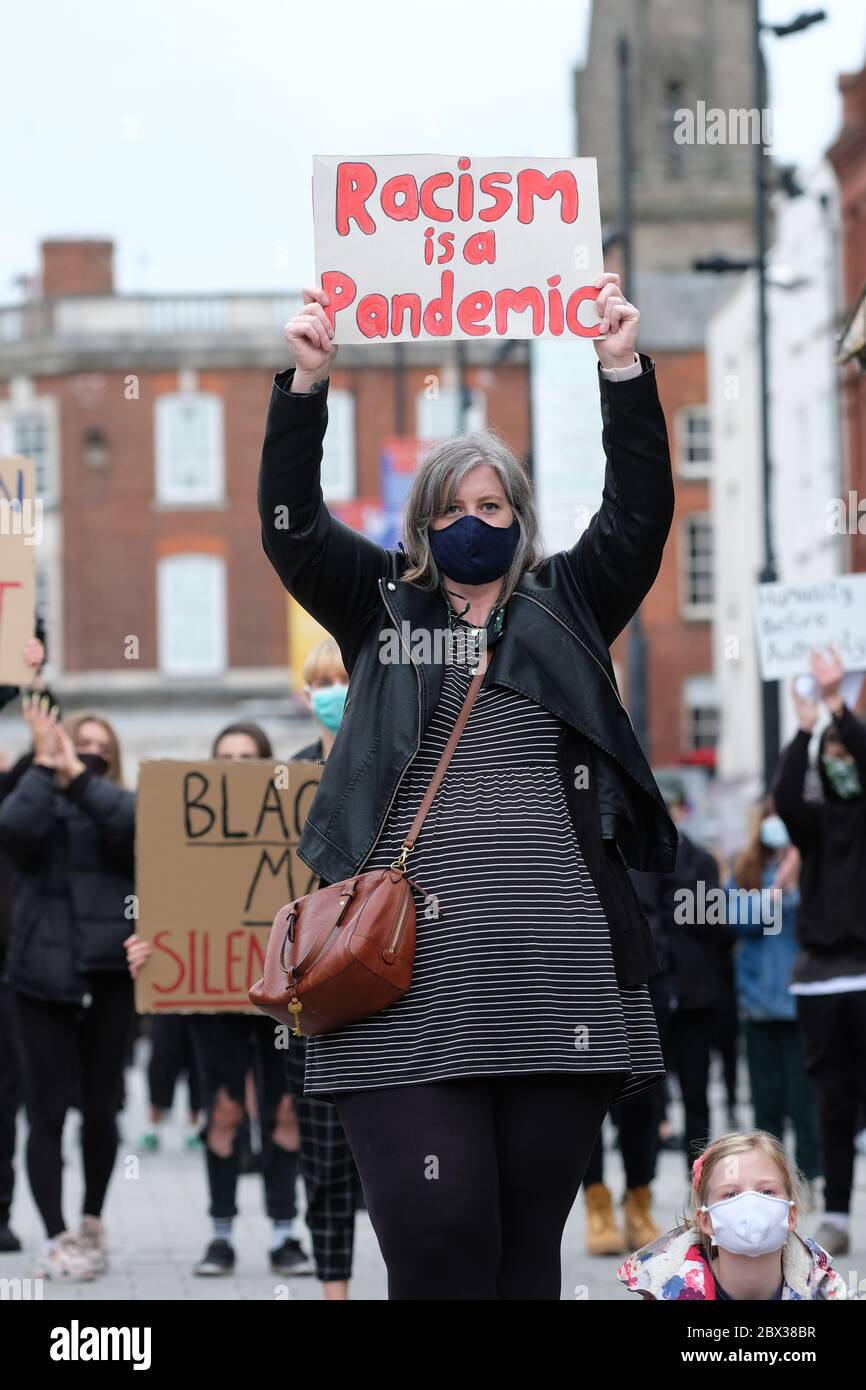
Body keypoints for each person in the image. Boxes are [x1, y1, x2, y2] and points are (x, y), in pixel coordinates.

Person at [257, 272, 677, 1300]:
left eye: (490, 506)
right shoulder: (380, 611)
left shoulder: (568, 603)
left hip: (555, 981)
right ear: (419, 527)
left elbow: (639, 514)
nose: (471, 523)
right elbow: (290, 527)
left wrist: (619, 368)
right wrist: (305, 384)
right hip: (397, 982)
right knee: (440, 1244)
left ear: (521, 519)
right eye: (450, 509)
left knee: (522, 1258)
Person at [0, 702, 136, 1281]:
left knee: (101, 1111)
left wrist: (78, 779)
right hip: (40, 979)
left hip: (108, 976)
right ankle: (55, 1234)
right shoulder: (37, 797)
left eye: (99, 747)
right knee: (47, 1114)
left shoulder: (121, 804)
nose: (89, 751)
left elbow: (131, 826)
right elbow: (11, 826)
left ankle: (91, 1221)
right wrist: (40, 765)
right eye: (79, 743)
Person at [773, 645, 866, 1257]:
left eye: (843, 752)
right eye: (829, 754)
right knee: (834, 1099)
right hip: (822, 979)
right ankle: (837, 1211)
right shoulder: (813, 827)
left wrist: (836, 703)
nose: (838, 762)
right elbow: (784, 798)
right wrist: (806, 728)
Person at [632, 780, 736, 1180]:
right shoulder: (639, 860)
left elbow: (710, 924)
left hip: (694, 995)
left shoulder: (700, 861)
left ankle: (700, 1179)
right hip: (657, 990)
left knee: (696, 1092)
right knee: (650, 1095)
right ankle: (647, 1177)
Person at [616, 1129, 846, 1300]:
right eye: (731, 1194)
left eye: (766, 1191)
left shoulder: (825, 1291)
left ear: (791, 1214)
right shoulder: (668, 1292)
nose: (750, 1204)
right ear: (706, 1220)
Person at [726, 799, 822, 1199]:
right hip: (758, 1003)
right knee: (766, 1102)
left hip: (801, 1001)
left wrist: (796, 882)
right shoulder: (746, 869)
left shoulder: (816, 868)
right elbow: (733, 919)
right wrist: (776, 891)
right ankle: (768, 1182)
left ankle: (809, 1178)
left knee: (805, 1102)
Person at [0, 634, 51, 1254]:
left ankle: (2, 1210)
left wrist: (29, 681)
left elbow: (46, 733)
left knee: (6, 1093)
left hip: (9, 967)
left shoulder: (13, 796)